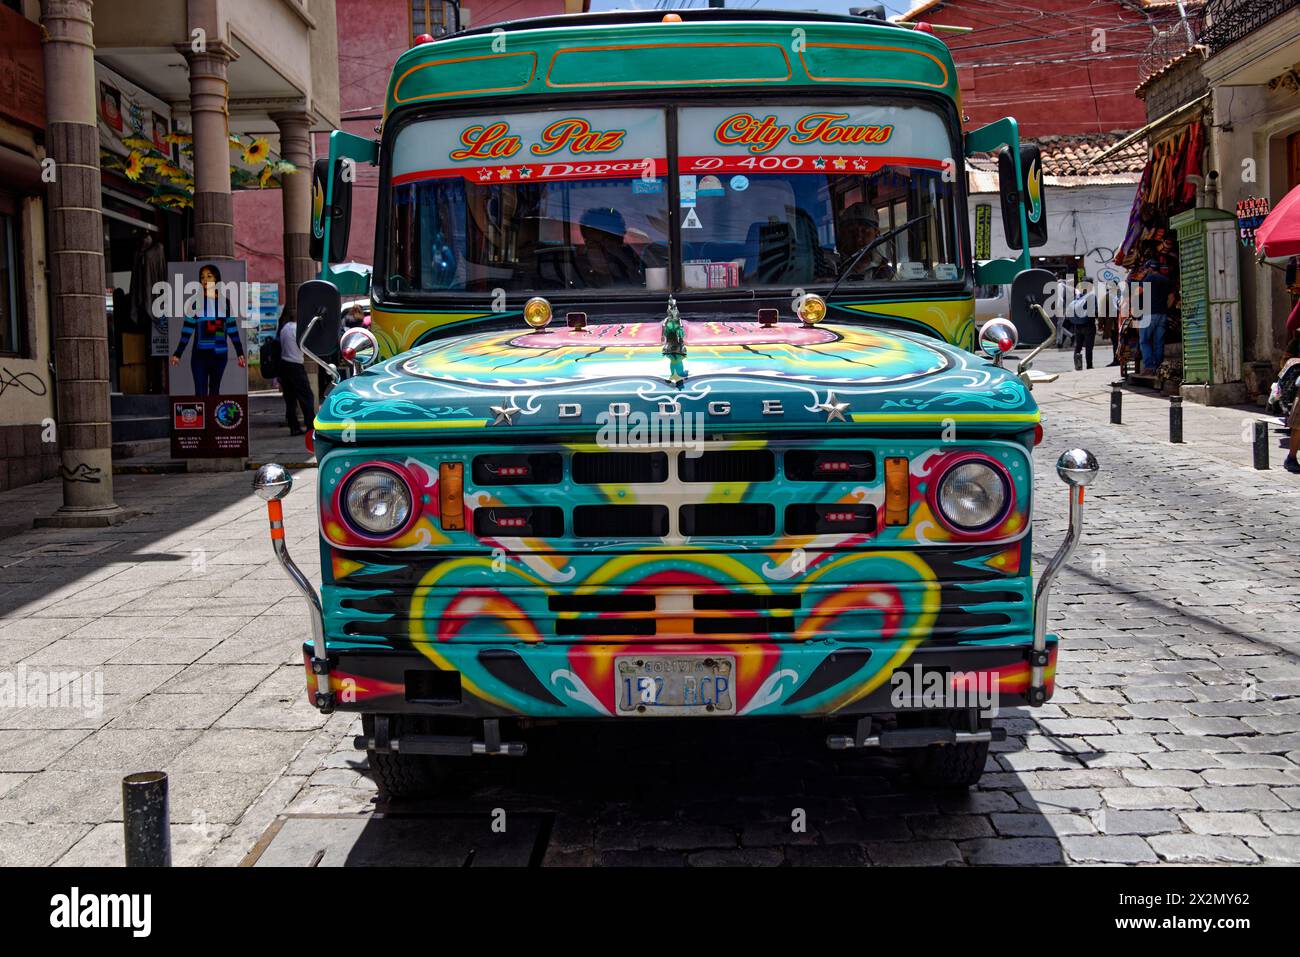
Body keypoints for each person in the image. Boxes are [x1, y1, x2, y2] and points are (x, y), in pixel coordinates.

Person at [170, 263, 245, 395]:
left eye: (209, 276)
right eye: (202, 277)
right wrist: (178, 353)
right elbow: (187, 330)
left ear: (216, 279)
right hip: (200, 356)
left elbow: (232, 329)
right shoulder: (195, 302)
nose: (205, 279)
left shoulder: (225, 303)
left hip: (220, 354)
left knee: (215, 391)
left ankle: (212, 416)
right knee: (200, 392)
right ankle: (203, 416)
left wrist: (239, 352)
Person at [574, 207, 643, 287]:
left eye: (608, 243)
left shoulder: (631, 258)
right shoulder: (575, 270)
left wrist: (627, 263)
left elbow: (643, 283)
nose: (604, 250)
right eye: (595, 244)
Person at [277, 309, 314, 436]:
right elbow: (305, 346)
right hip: (296, 365)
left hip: (284, 365)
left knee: (290, 398)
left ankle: (294, 427)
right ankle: (311, 426)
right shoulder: (297, 329)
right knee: (307, 397)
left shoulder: (284, 328)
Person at [835, 202, 894, 280]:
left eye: (865, 232)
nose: (858, 239)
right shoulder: (832, 269)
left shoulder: (887, 273)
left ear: (876, 233)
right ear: (842, 235)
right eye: (851, 232)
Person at [1136, 259, 1173, 375]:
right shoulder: (1166, 280)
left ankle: (1149, 367)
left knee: (1144, 341)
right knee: (1159, 343)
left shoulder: (1149, 278)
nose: (1146, 271)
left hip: (1149, 315)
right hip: (1162, 315)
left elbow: (1138, 292)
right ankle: (1158, 368)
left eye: (1146, 269)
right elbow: (1171, 298)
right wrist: (1164, 309)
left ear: (1150, 269)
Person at [1068, 281, 1098, 370]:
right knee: (1089, 347)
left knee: (1078, 346)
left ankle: (1077, 365)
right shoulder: (1091, 296)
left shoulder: (1078, 297)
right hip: (1089, 325)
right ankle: (1089, 365)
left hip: (1077, 326)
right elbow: (1094, 311)